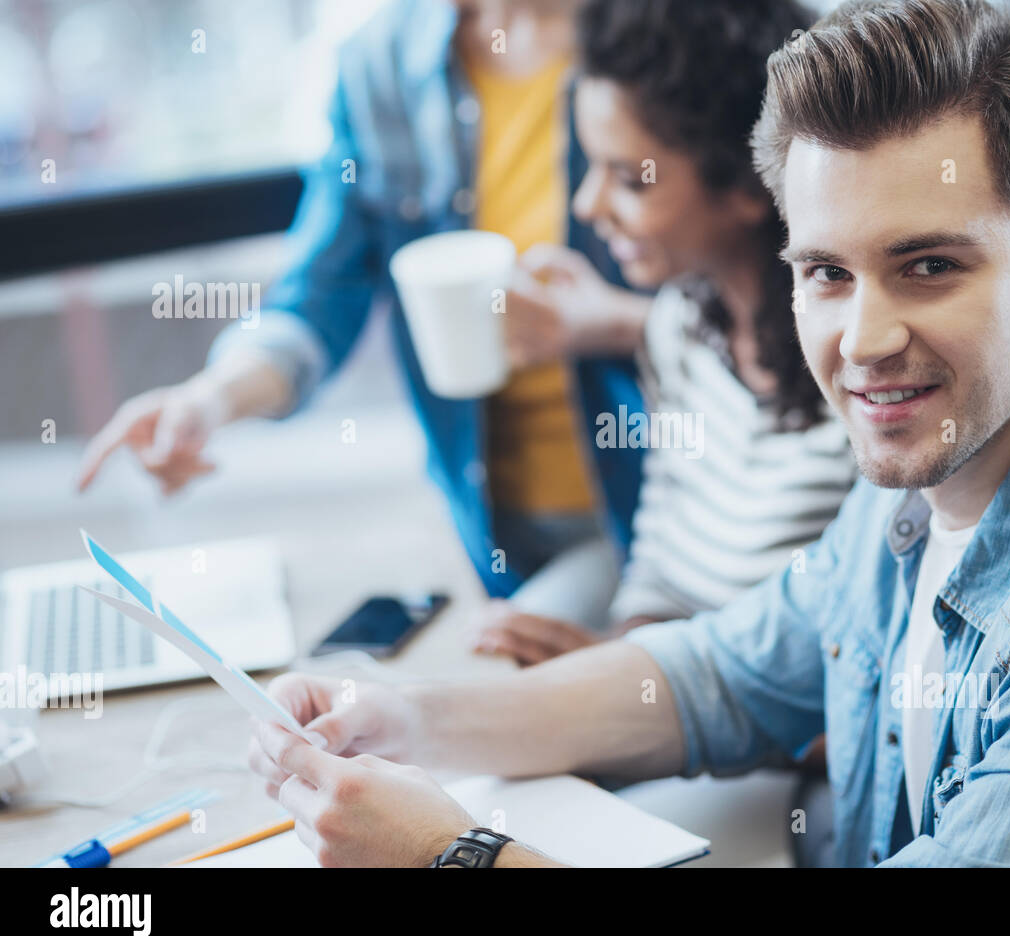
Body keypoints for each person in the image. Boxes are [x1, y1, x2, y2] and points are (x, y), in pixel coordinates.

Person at [248, 0, 1010, 867]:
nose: (864, 340)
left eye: (929, 266)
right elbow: (723, 674)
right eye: (826, 274)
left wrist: (452, 856)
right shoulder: (921, 463)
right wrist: (400, 716)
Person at [74, 0, 653, 629]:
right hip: (486, 523)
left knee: (515, 682)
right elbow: (319, 294)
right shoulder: (381, 63)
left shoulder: (662, 36)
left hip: (654, 506)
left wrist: (611, 323)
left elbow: (758, 302)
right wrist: (210, 401)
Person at [469, 0, 858, 666]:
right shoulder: (678, 327)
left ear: (748, 182)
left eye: (628, 179)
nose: (587, 206)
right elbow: (660, 567)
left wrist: (639, 687)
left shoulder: (862, 379)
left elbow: (850, 693)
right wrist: (616, 656)